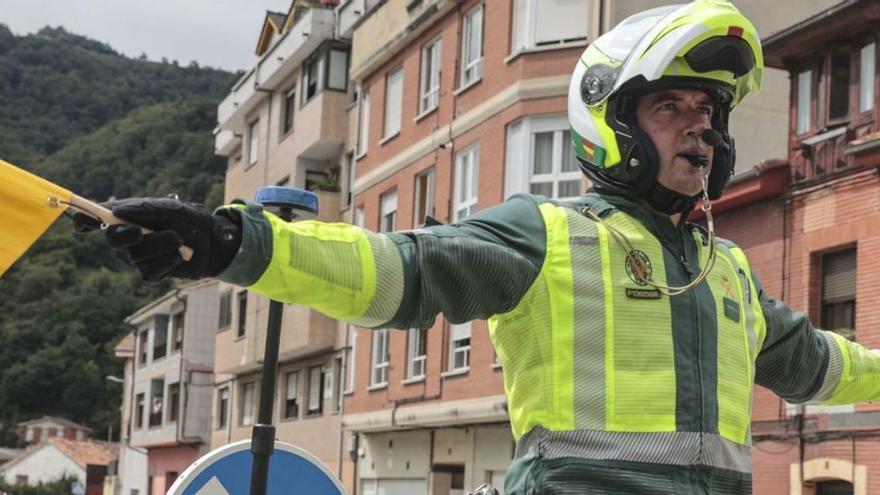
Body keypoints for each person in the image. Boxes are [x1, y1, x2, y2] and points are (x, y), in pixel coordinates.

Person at [79, 2, 880, 493]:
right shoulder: (551, 234)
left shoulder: (724, 270)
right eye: (671, 106)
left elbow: (823, 363)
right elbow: (402, 268)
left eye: (709, 112)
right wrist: (235, 242)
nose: (699, 128)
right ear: (614, 124)